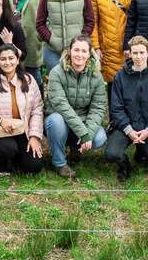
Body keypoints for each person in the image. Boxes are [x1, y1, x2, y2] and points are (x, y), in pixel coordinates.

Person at [104, 36, 148, 179]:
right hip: (125, 128)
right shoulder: (120, 77)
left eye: (141, 52)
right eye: (135, 53)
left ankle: (142, 151)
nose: (138, 57)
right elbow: (116, 108)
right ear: (129, 54)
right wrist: (129, 130)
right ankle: (124, 164)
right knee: (111, 154)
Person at [0, 43, 45, 175]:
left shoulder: (29, 80)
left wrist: (34, 136)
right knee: (7, 149)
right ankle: (1, 165)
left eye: (11, 58)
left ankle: (18, 159)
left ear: (17, 60)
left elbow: (37, 110)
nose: (8, 62)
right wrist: (0, 120)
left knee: (34, 166)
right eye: (3, 59)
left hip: (22, 130)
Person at [44, 35, 109, 178]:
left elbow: (97, 108)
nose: (79, 54)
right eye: (76, 50)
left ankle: (76, 149)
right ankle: (60, 163)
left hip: (84, 120)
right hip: (61, 119)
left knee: (99, 137)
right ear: (69, 51)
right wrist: (83, 134)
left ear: (89, 54)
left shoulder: (96, 76)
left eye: (84, 51)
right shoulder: (56, 72)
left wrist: (89, 134)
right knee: (55, 121)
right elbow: (61, 105)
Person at [35, 0, 96, 77]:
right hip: (53, 51)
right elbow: (40, 23)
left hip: (76, 51)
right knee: (56, 82)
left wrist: (81, 40)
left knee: (75, 85)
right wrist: (51, 39)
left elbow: (90, 21)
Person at [87, 0, 135, 82]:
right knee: (112, 83)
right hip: (107, 47)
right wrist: (96, 47)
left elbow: (136, 17)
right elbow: (93, 23)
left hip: (128, 45)